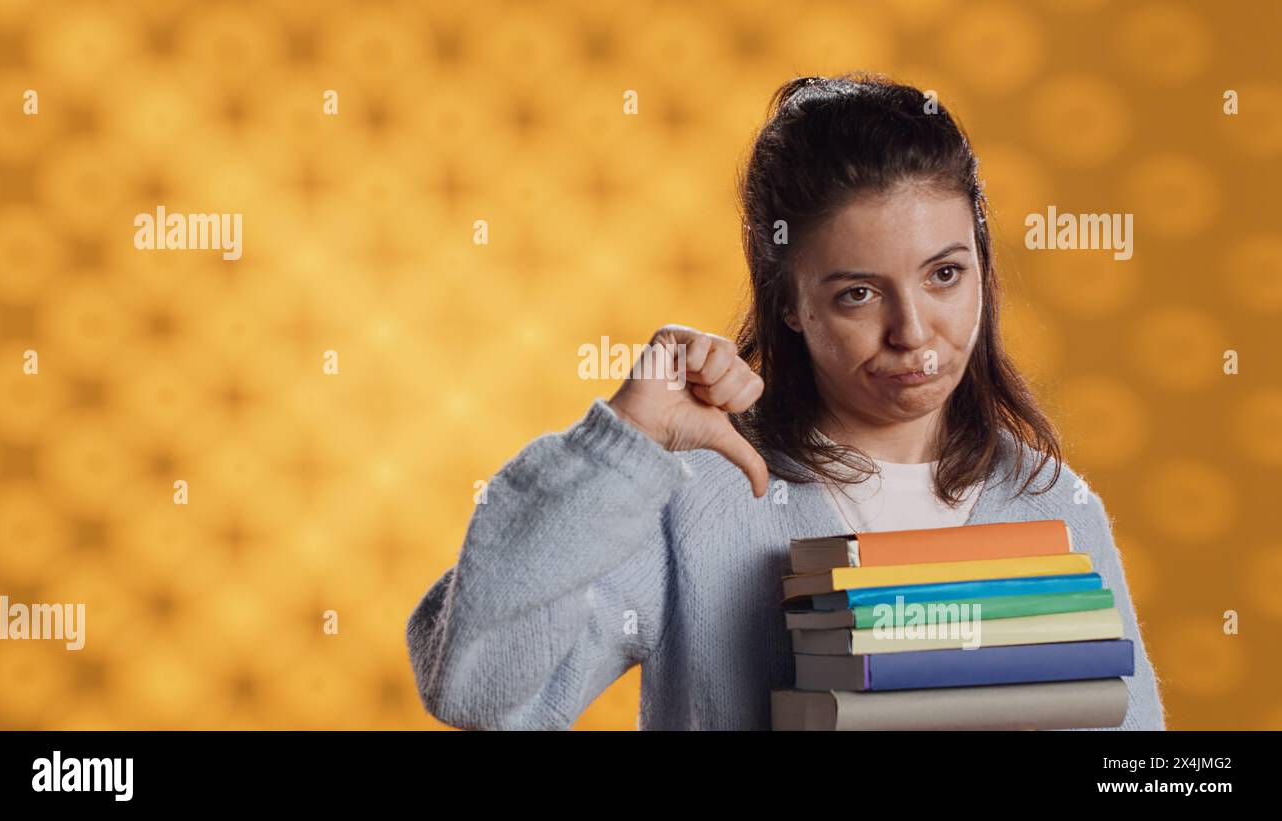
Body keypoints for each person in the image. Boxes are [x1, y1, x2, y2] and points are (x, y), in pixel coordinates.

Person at [405, 73, 1166, 731]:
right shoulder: (698, 498)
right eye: (858, 293)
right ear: (791, 302)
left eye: (944, 275)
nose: (913, 333)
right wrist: (622, 444)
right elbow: (479, 689)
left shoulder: (1051, 503)